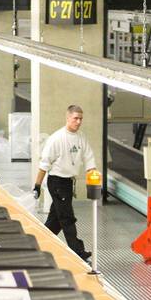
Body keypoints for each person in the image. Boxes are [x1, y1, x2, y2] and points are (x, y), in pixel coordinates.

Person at [34, 105, 96, 261]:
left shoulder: (81, 137)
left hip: (68, 183)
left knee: (56, 220)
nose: (79, 121)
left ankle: (37, 244)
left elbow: (89, 158)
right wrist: (37, 185)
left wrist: (92, 177)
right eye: (75, 118)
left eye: (81, 118)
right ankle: (78, 252)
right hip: (57, 182)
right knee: (67, 218)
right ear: (68, 118)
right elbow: (44, 164)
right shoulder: (57, 138)